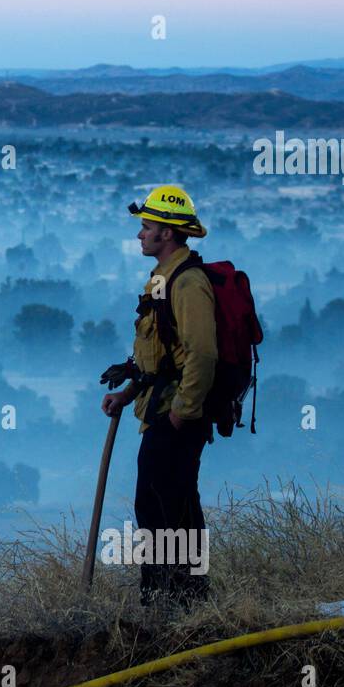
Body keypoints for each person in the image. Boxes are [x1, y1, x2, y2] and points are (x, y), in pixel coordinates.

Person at [101, 185, 217, 608]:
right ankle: (168, 600)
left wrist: (181, 415)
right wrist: (128, 393)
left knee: (169, 509)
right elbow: (161, 358)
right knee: (160, 505)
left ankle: (180, 602)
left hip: (176, 418)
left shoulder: (188, 284)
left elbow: (203, 354)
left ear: (167, 233)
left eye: (147, 227)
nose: (140, 235)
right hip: (161, 411)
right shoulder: (162, 280)